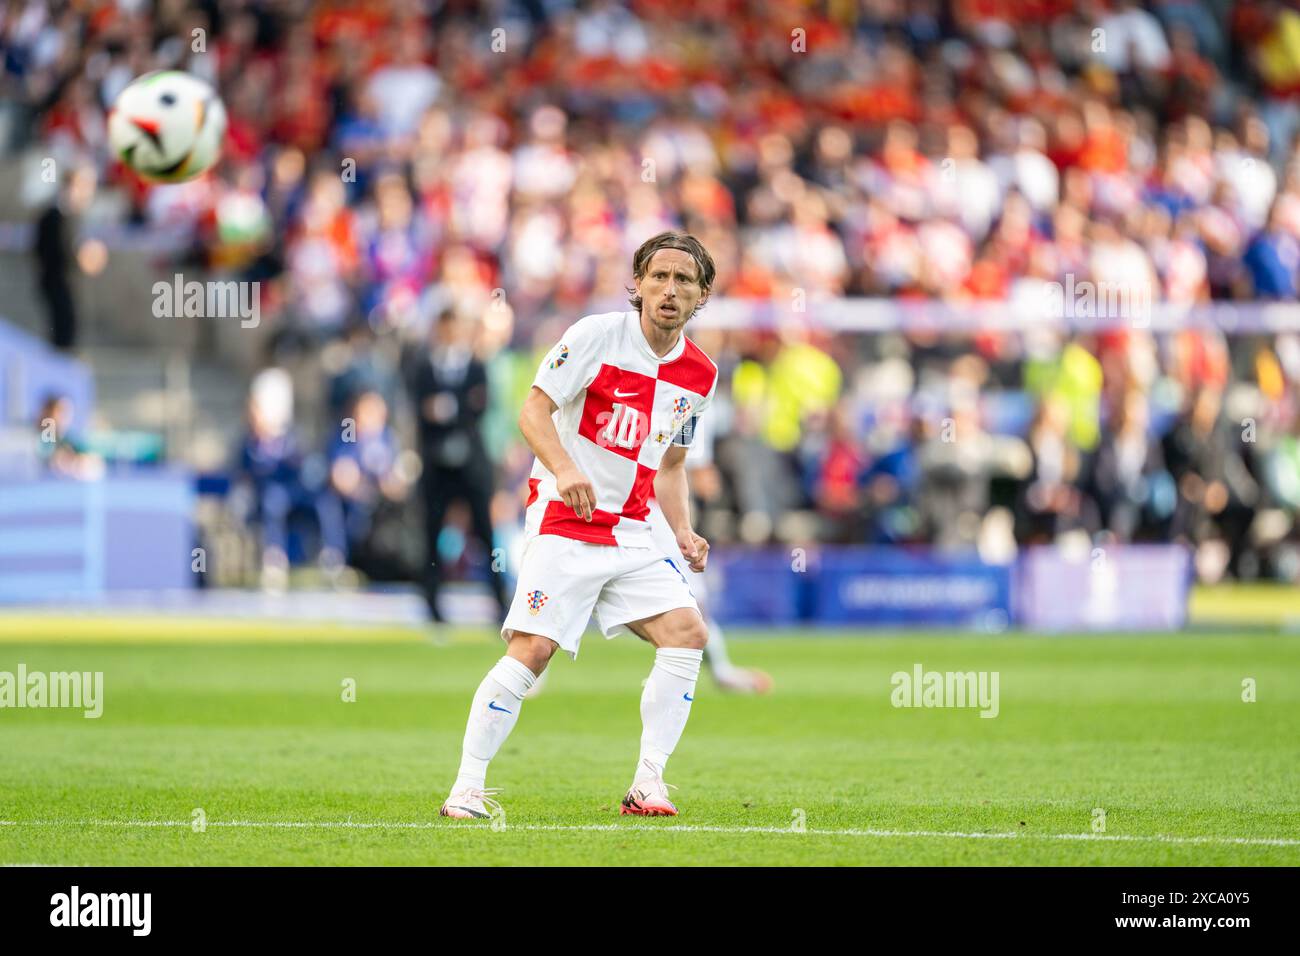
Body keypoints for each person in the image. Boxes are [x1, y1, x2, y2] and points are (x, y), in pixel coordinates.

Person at [440, 231, 719, 820]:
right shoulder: (595, 337)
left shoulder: (701, 375)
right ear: (638, 285)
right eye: (659, 277)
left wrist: (685, 529)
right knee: (534, 648)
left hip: (634, 532)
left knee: (688, 633)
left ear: (702, 296)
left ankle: (648, 784)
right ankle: (465, 788)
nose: (669, 290)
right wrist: (565, 469)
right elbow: (533, 410)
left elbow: (670, 464)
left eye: (684, 281)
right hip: (567, 520)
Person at [407, 308, 506, 621]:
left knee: (484, 531)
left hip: (471, 463)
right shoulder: (425, 366)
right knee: (432, 530)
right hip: (437, 463)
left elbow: (479, 405)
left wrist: (448, 408)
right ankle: (432, 602)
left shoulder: (475, 366)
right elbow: (420, 408)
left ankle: (499, 599)